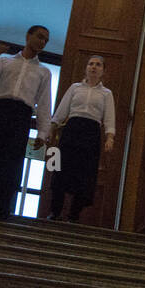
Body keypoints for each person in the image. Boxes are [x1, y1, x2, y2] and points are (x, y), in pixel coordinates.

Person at [0, 25, 53, 221]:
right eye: (39, 37)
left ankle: (2, 207)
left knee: (12, 162)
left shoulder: (44, 72)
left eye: (46, 40)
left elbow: (44, 103)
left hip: (21, 117)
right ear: (28, 36)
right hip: (0, 111)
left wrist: (43, 133)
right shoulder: (4, 62)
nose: (42, 42)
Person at [47, 54, 115, 223]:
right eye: (91, 64)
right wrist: (52, 128)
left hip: (91, 133)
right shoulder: (75, 88)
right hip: (72, 130)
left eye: (98, 65)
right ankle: (55, 212)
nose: (94, 67)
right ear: (86, 68)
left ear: (103, 71)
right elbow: (62, 109)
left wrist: (110, 137)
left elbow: (109, 117)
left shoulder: (107, 94)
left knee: (85, 173)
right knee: (60, 169)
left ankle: (73, 215)